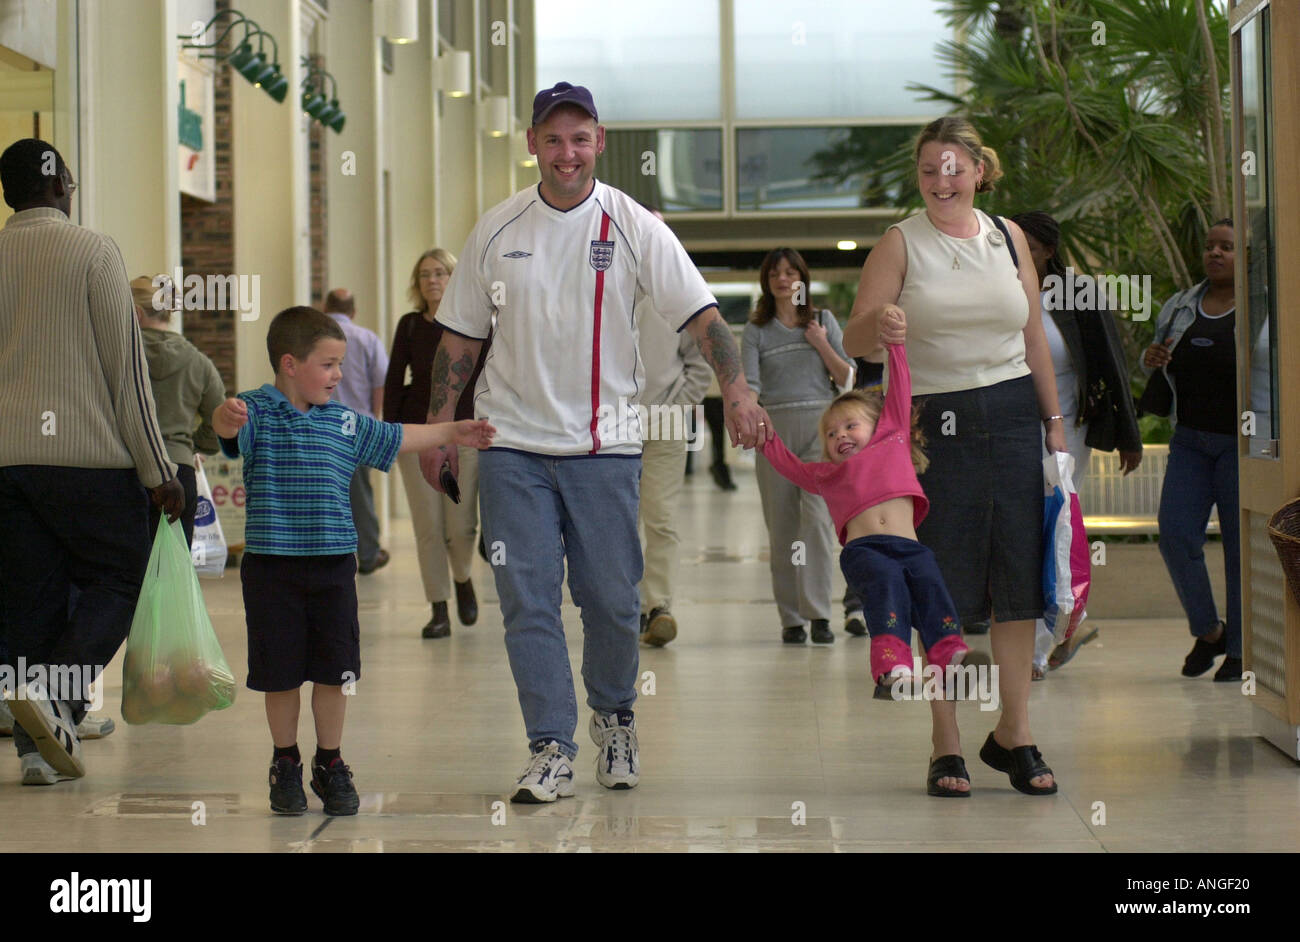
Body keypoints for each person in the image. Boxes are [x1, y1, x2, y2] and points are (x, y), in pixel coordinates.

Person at [420, 82, 772, 803]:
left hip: (606, 447)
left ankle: (614, 716)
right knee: (527, 599)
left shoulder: (635, 225)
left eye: (579, 138)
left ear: (599, 142)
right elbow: (459, 338)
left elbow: (704, 318)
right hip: (511, 444)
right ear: (532, 144)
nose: (566, 152)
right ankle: (551, 745)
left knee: (613, 600)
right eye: (553, 138)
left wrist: (735, 387)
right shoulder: (495, 229)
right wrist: (439, 430)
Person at [844, 117, 1063, 796]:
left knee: (1019, 575)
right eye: (929, 170)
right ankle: (946, 740)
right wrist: (880, 326)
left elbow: (1032, 338)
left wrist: (1055, 428)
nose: (942, 181)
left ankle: (1014, 733)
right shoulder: (900, 242)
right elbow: (857, 336)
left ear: (979, 170)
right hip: (932, 426)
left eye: (954, 168)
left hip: (1013, 415)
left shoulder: (1008, 237)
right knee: (939, 581)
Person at [212, 306, 493, 815]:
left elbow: (401, 436)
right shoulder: (255, 410)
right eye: (328, 364)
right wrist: (222, 419)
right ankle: (285, 762)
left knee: (335, 671)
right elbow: (228, 432)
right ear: (290, 363)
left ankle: (330, 762)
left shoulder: (345, 421)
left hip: (334, 569)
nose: (339, 375)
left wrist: (455, 431)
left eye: (341, 364)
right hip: (272, 569)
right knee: (279, 674)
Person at [0, 138, 184, 786]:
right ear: (61, 187)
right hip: (85, 459)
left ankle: (36, 749)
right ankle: (59, 697)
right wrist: (159, 471)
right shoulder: (92, 250)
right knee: (121, 577)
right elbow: (126, 373)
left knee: (31, 599)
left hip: (7, 464)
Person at [760, 337, 992, 715]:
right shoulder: (828, 474)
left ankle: (950, 658)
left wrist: (896, 346)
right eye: (831, 434)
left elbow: (900, 387)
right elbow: (789, 466)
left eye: (850, 425)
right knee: (888, 596)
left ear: (878, 425)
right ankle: (893, 670)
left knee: (934, 593)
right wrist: (764, 436)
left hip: (913, 549)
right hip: (865, 552)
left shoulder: (894, 438)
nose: (840, 436)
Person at [1010, 211, 1143, 678]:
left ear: (1047, 251)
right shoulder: (1000, 290)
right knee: (1023, 529)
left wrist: (1129, 434)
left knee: (1054, 526)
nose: (1014, 250)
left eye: (1025, 243)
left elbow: (1110, 362)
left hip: (1066, 430)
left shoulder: (1077, 293)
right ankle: (1071, 621)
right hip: (1009, 426)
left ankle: (1038, 650)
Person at [1142, 219, 1241, 682]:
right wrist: (1153, 358)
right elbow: (1160, 361)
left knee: (1241, 549)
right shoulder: (1181, 306)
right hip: (1190, 441)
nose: (1215, 254)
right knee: (1177, 535)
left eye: (1227, 247)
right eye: (1210, 247)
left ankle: (1241, 648)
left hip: (1243, 445)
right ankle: (1209, 632)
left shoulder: (1263, 307)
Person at [743, 248, 856, 644]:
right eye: (775, 272)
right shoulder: (756, 331)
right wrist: (747, 413)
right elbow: (751, 387)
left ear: (802, 278)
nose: (783, 278)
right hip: (774, 435)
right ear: (766, 281)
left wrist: (822, 343)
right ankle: (791, 618)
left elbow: (847, 378)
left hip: (820, 431)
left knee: (818, 524)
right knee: (784, 529)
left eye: (791, 272)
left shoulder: (823, 320)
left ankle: (820, 613)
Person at [383, 249, 486, 638]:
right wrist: (390, 436)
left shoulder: (475, 322)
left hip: (464, 433)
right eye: (425, 274)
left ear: (453, 277)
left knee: (460, 527)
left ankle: (462, 578)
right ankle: (438, 606)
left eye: (440, 273)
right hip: (416, 434)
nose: (432, 281)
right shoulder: (409, 325)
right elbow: (394, 380)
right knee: (428, 527)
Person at [634, 210, 712, 646]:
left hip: (664, 423)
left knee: (660, 518)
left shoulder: (683, 295)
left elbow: (701, 363)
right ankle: (623, 607)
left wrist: (676, 410)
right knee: (617, 523)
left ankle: (657, 605)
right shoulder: (606, 288)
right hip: (610, 425)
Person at [131, 274, 227, 547]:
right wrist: (191, 446)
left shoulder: (121, 358)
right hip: (180, 472)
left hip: (127, 470)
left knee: (125, 573)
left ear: (135, 314)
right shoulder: (199, 362)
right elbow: (217, 421)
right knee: (173, 568)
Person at [324, 287, 392, 575]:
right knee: (360, 494)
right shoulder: (367, 338)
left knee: (324, 492)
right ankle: (368, 554)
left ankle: (327, 553)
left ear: (325, 308)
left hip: (322, 426)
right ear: (353, 311)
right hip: (358, 428)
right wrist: (373, 421)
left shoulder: (316, 340)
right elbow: (380, 384)